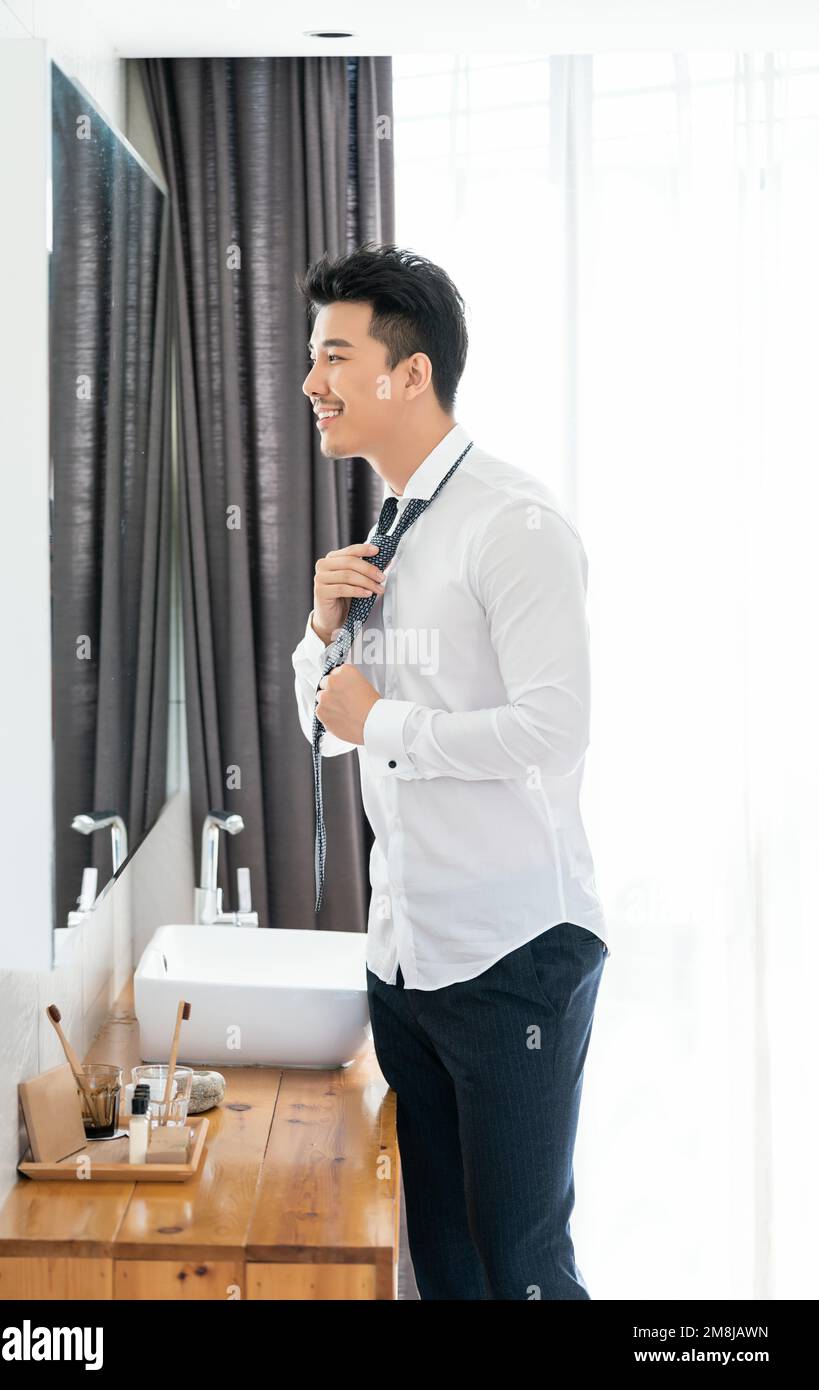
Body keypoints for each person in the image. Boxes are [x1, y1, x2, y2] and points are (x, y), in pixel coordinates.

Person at [291, 242, 609, 1300]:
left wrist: (387, 721)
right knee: (445, 1264)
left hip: (512, 951)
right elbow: (329, 721)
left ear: (409, 374)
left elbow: (551, 731)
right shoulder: (389, 529)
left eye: (335, 356)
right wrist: (320, 626)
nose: (311, 384)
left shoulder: (513, 524)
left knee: (522, 1265)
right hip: (407, 959)